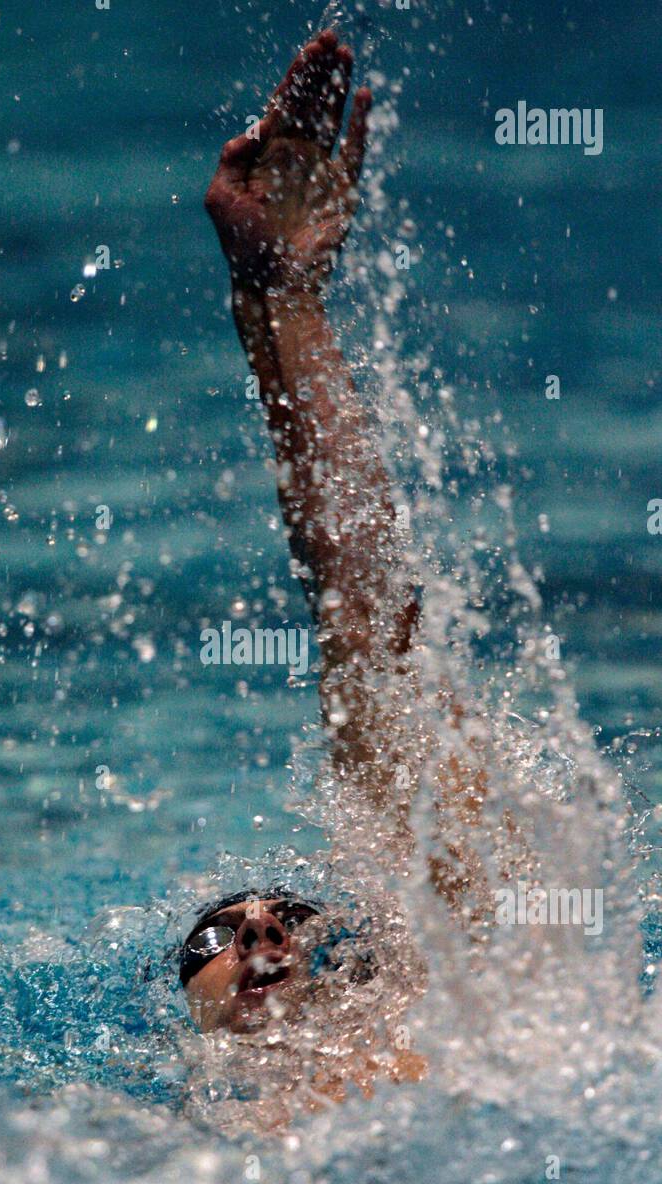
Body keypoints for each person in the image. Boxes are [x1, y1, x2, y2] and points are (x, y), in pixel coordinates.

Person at [181, 31, 488, 1083]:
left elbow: (355, 602)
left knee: (376, 672)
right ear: (179, 1004)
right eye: (218, 935)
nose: (263, 934)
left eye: (282, 919)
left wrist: (282, 305)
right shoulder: (135, 1139)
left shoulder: (428, 1023)